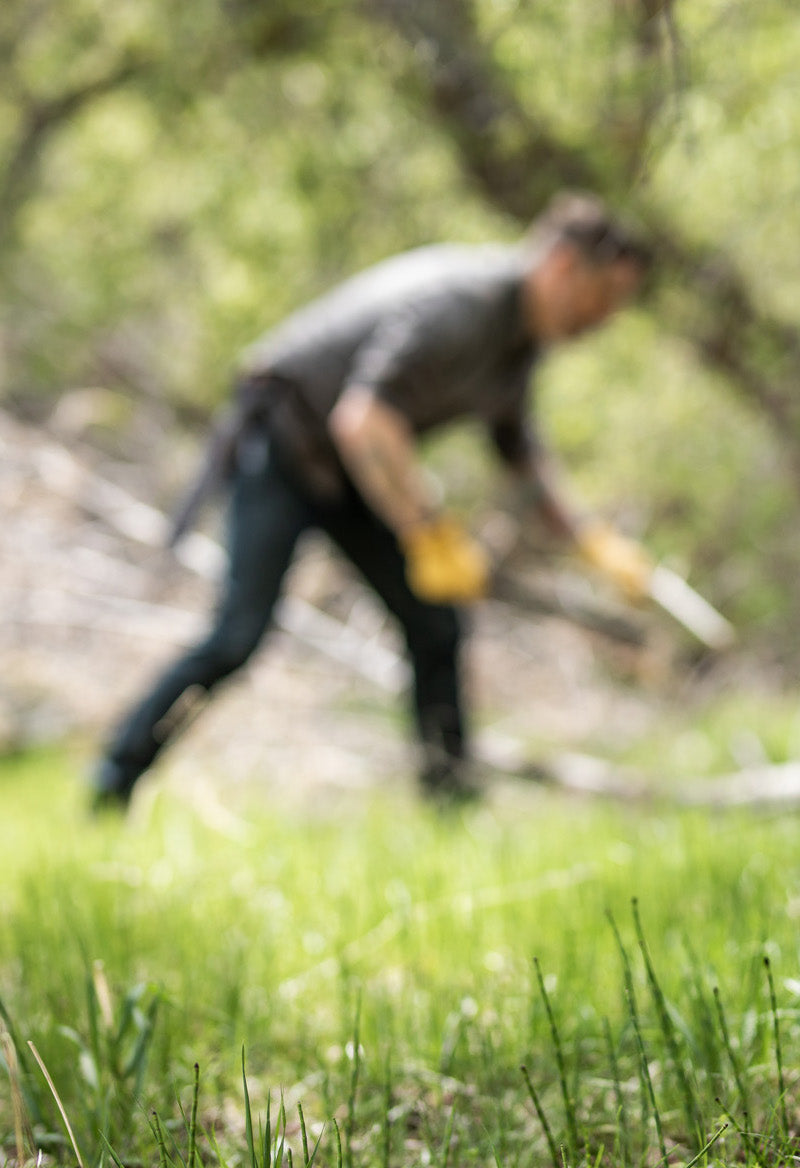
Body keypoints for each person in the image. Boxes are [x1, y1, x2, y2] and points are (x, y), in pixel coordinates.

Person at [92, 193, 654, 808]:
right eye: (602, 299)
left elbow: (519, 455)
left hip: (352, 477)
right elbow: (362, 420)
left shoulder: (520, 344)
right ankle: (114, 779)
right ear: (563, 266)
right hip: (283, 442)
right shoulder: (465, 306)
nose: (601, 320)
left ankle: (451, 804)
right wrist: (428, 531)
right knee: (237, 637)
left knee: (435, 626)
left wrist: (591, 542)